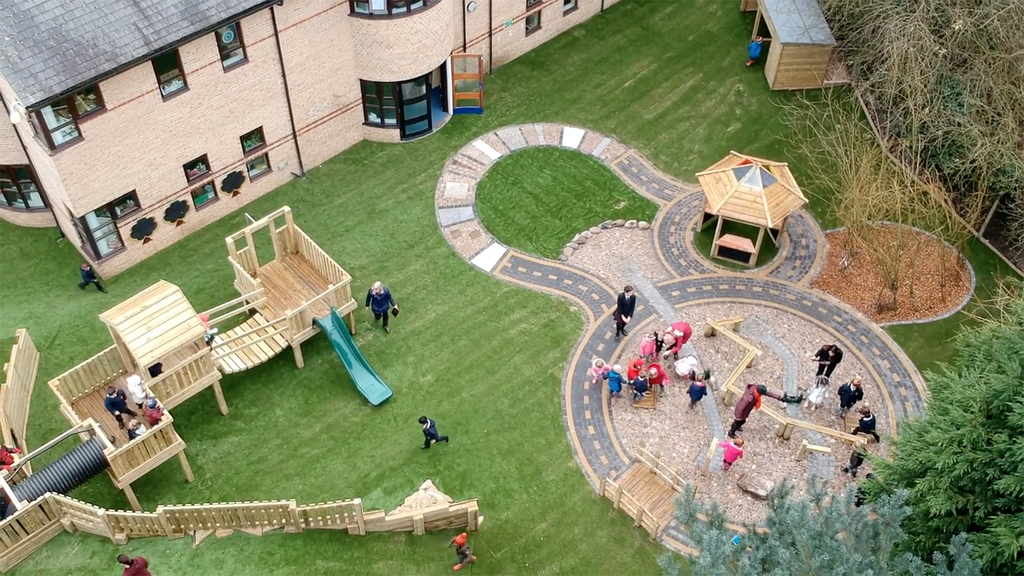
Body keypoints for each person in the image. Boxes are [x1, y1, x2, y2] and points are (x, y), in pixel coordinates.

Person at [728, 383, 802, 438]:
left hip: (746, 411)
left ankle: (737, 427)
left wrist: (780, 398)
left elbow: (767, 393)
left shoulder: (755, 390)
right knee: (739, 421)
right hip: (741, 412)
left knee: (742, 421)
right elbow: (741, 407)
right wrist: (739, 416)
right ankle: (731, 432)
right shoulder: (749, 398)